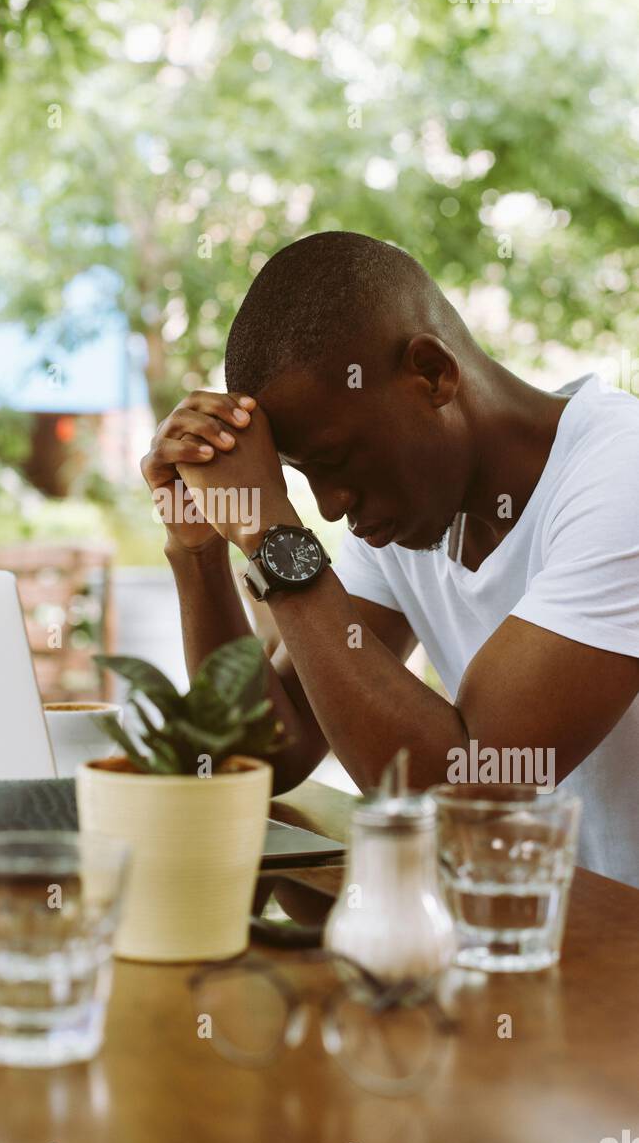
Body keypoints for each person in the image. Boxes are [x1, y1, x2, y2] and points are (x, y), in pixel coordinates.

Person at [141, 231, 639, 886]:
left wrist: (273, 535)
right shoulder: (407, 515)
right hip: (539, 934)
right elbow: (267, 753)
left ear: (433, 374)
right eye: (299, 477)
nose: (328, 503)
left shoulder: (618, 476)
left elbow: (467, 788)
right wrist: (198, 553)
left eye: (335, 462)